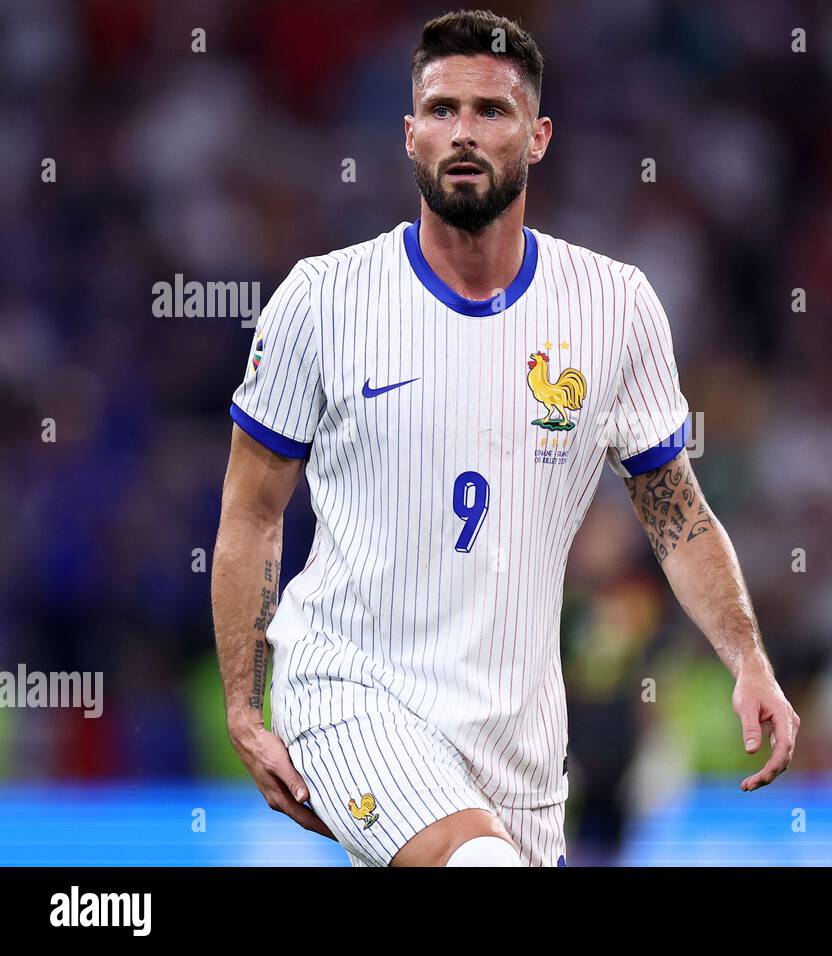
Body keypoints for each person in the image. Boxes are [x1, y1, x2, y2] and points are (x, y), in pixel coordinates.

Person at [210, 8, 798, 867]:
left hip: (519, 742)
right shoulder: (321, 300)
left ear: (539, 135)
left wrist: (748, 658)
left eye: (492, 111)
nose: (463, 132)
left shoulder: (614, 306)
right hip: (350, 690)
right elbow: (251, 514)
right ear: (408, 133)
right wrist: (243, 704)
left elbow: (679, 519)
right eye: (441, 110)